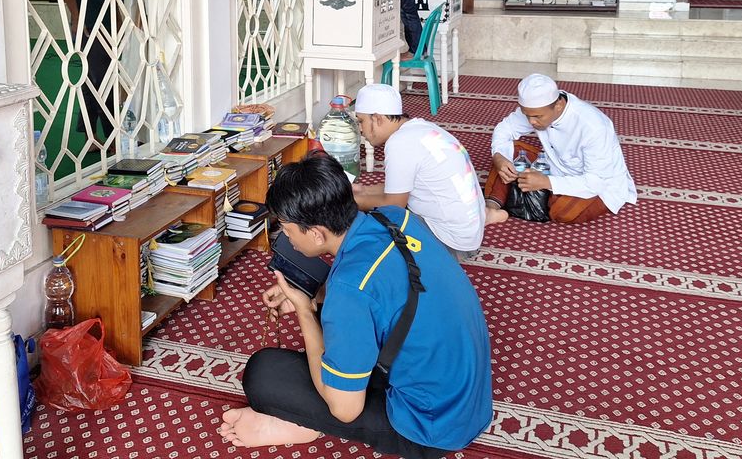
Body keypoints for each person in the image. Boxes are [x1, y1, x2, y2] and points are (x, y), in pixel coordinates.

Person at [219, 153, 493, 457]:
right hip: (469, 399)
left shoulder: (349, 291)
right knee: (337, 327)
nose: (285, 237)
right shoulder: (394, 217)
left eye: (286, 228)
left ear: (316, 233)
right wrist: (317, 296)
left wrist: (305, 311)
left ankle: (303, 425)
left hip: (429, 430)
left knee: (264, 373)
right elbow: (380, 286)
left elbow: (344, 410)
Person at [350, 83, 490, 258]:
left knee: (367, 228)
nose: (361, 129)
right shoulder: (422, 129)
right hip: (469, 237)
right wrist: (364, 191)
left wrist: (350, 202)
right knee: (367, 202)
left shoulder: (399, 143)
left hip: (449, 243)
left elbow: (394, 205)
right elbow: (403, 185)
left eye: (361, 121)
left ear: (377, 118)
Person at [486, 73, 637, 225]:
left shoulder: (594, 126)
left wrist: (546, 182)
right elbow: (504, 130)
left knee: (563, 211)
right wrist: (499, 157)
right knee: (509, 153)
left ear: (558, 106)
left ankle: (530, 194)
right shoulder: (535, 109)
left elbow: (595, 181)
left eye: (538, 117)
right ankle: (489, 210)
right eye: (527, 115)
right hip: (553, 165)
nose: (531, 122)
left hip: (600, 183)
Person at [58, 0, 123, 154]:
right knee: (103, 81)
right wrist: (77, 17)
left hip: (106, 19)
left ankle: (89, 134)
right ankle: (113, 138)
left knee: (91, 79)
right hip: (89, 23)